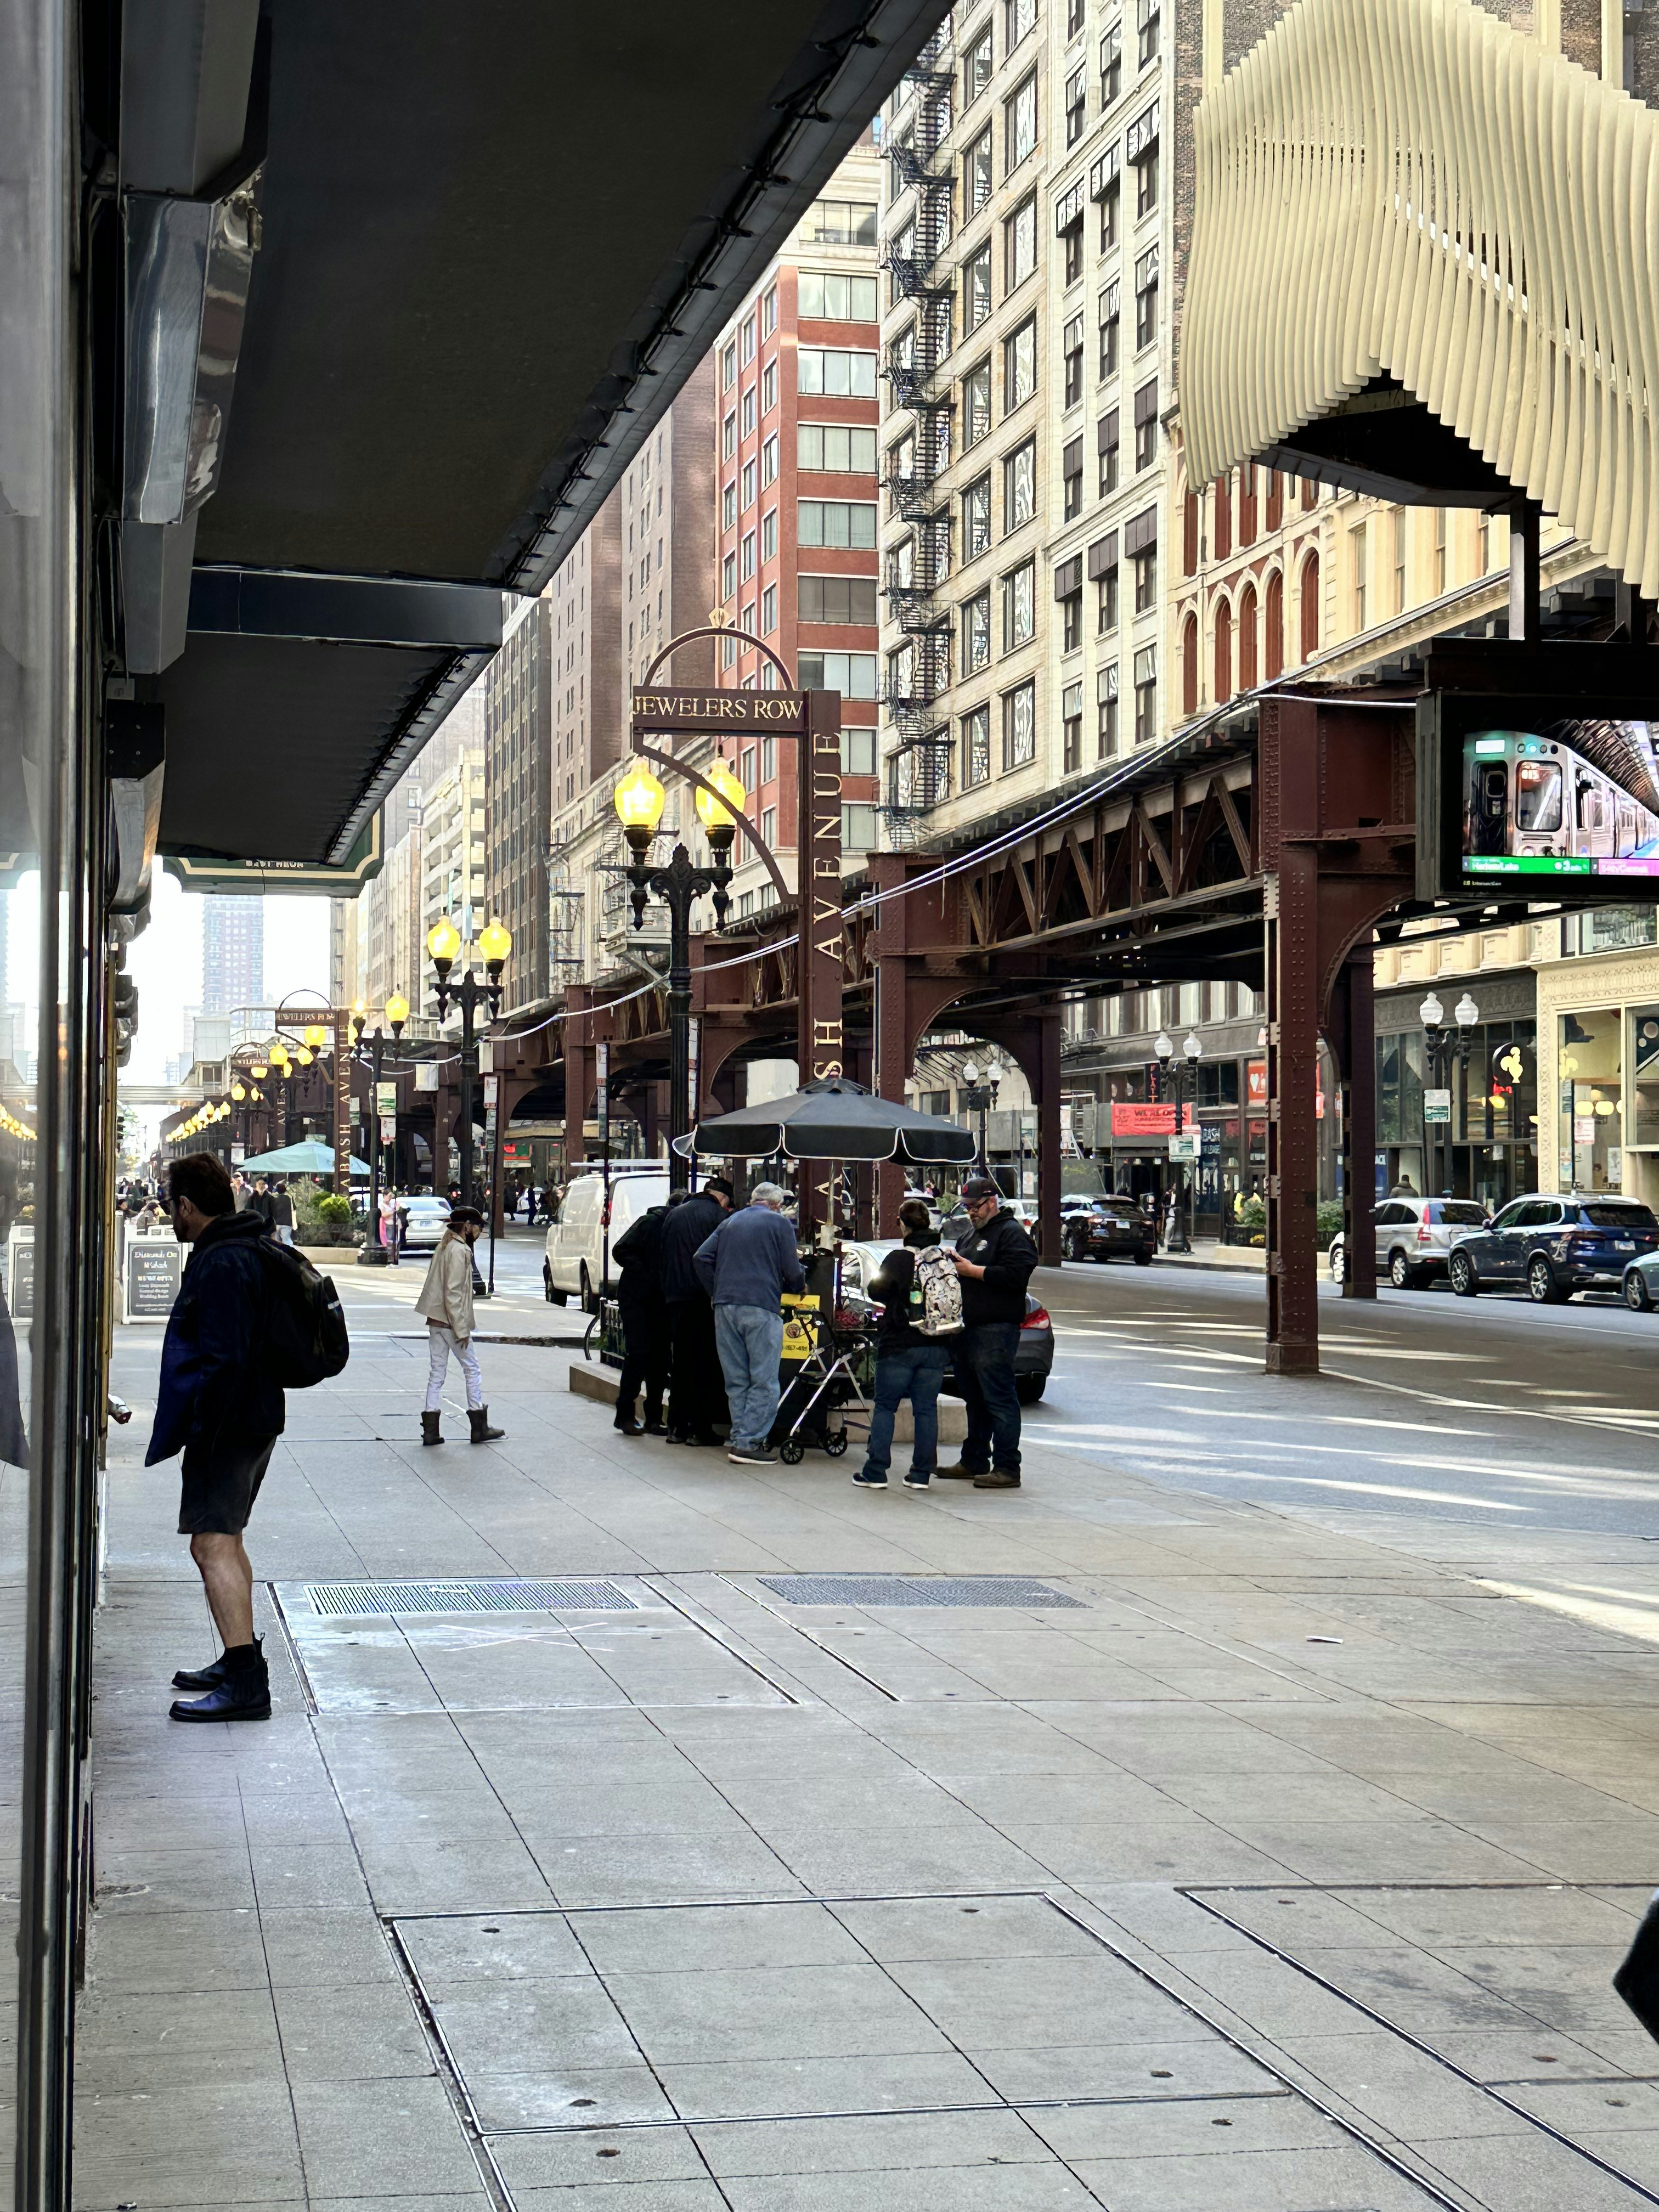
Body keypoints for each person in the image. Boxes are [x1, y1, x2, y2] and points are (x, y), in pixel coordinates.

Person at [146, 1152, 285, 1722]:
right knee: (227, 1538)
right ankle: (239, 1658)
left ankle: (247, 1683)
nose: (168, 1217)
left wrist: (203, 1429)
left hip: (230, 1425)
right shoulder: (244, 1248)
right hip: (253, 1418)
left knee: (211, 1545)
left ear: (186, 1205)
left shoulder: (222, 1262)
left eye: (169, 1206)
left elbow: (224, 1358)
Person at [693, 1182, 804, 1468]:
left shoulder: (731, 1221)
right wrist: (799, 1285)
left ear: (753, 1201)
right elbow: (792, 1270)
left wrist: (716, 1292)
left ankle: (739, 1437)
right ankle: (749, 1443)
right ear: (776, 1205)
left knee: (737, 1379)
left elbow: (701, 1258)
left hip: (725, 1307)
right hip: (760, 1305)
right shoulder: (779, 1224)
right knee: (765, 1379)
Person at [940, 1174, 1037, 1491]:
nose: (971, 1212)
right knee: (975, 1399)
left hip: (996, 1329)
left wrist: (975, 1271)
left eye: (976, 1206)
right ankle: (974, 1460)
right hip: (969, 1327)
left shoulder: (1011, 1233)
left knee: (999, 1398)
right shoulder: (969, 1234)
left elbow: (1018, 1274)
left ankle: (1008, 1467)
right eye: (966, 1207)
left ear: (992, 1202)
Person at [855, 1198, 953, 1491]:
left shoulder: (900, 1258)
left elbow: (876, 1290)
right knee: (926, 1410)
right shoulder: (944, 1258)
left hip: (900, 1343)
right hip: (936, 1343)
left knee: (886, 1406)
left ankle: (875, 1472)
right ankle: (921, 1475)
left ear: (903, 1223)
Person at [414, 1205, 504, 1444]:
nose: (479, 1231)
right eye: (477, 1227)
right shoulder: (458, 1250)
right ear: (466, 1226)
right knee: (472, 1369)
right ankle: (479, 1426)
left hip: (436, 1320)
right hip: (449, 1322)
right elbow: (452, 1293)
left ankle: (431, 1431)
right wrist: (461, 1330)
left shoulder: (445, 1246)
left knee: (437, 1374)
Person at [659, 1176, 733, 1444]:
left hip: (676, 1298)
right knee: (705, 1364)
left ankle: (676, 1427)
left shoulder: (675, 1215)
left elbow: (663, 1254)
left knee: (681, 1362)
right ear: (723, 1199)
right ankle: (700, 1429)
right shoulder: (719, 1218)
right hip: (704, 1299)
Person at [610, 1194, 674, 1435]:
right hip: (637, 1298)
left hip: (661, 1299)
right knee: (638, 1355)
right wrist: (646, 1273)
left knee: (659, 1359)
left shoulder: (672, 1227)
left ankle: (654, 1418)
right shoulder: (649, 1223)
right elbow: (621, 1250)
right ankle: (624, 1415)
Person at [269, 1180, 296, 1248]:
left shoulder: (274, 1200)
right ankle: (289, 1254)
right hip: (287, 1223)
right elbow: (294, 1208)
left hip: (277, 1223)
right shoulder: (289, 1199)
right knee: (286, 1241)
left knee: (276, 1243)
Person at [379, 1187, 400, 1263]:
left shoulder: (392, 1203)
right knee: (390, 1241)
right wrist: (392, 1212)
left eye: (391, 1196)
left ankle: (395, 1256)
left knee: (396, 1241)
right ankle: (390, 1257)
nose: (390, 1198)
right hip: (388, 1224)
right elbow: (383, 1214)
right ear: (385, 1196)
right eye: (389, 1196)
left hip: (395, 1223)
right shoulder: (382, 1205)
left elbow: (397, 1209)